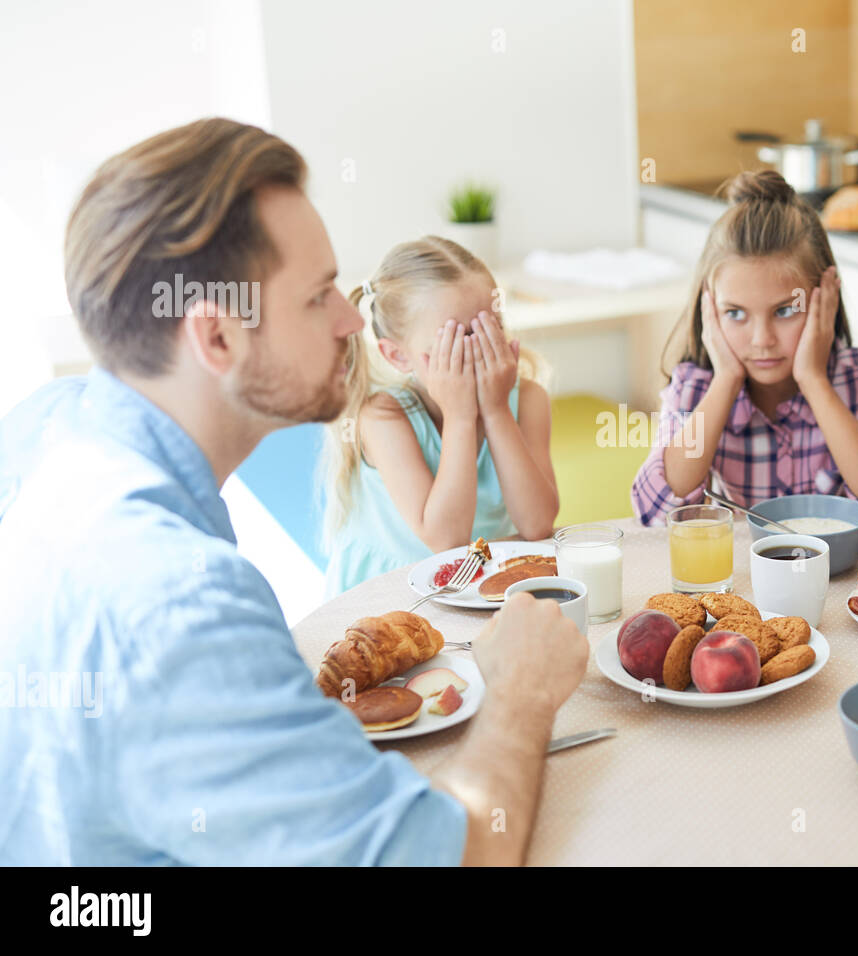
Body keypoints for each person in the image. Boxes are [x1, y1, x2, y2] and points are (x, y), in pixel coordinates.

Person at [0, 118, 588, 865]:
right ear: (217, 339)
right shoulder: (185, 606)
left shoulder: (44, 428)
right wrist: (520, 697)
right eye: (317, 298)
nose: (351, 318)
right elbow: (453, 855)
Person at [630, 170, 858, 524]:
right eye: (735, 313)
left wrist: (813, 379)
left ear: (826, 297)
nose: (761, 339)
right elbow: (654, 511)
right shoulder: (693, 391)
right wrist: (726, 379)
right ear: (709, 310)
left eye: (784, 311)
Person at [320, 237, 557, 596]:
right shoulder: (384, 418)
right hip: (389, 592)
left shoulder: (526, 401)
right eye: (456, 340)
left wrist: (495, 411)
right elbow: (447, 540)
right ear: (399, 357)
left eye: (489, 329)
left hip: (479, 585)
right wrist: (460, 416)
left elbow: (538, 523)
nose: (478, 350)